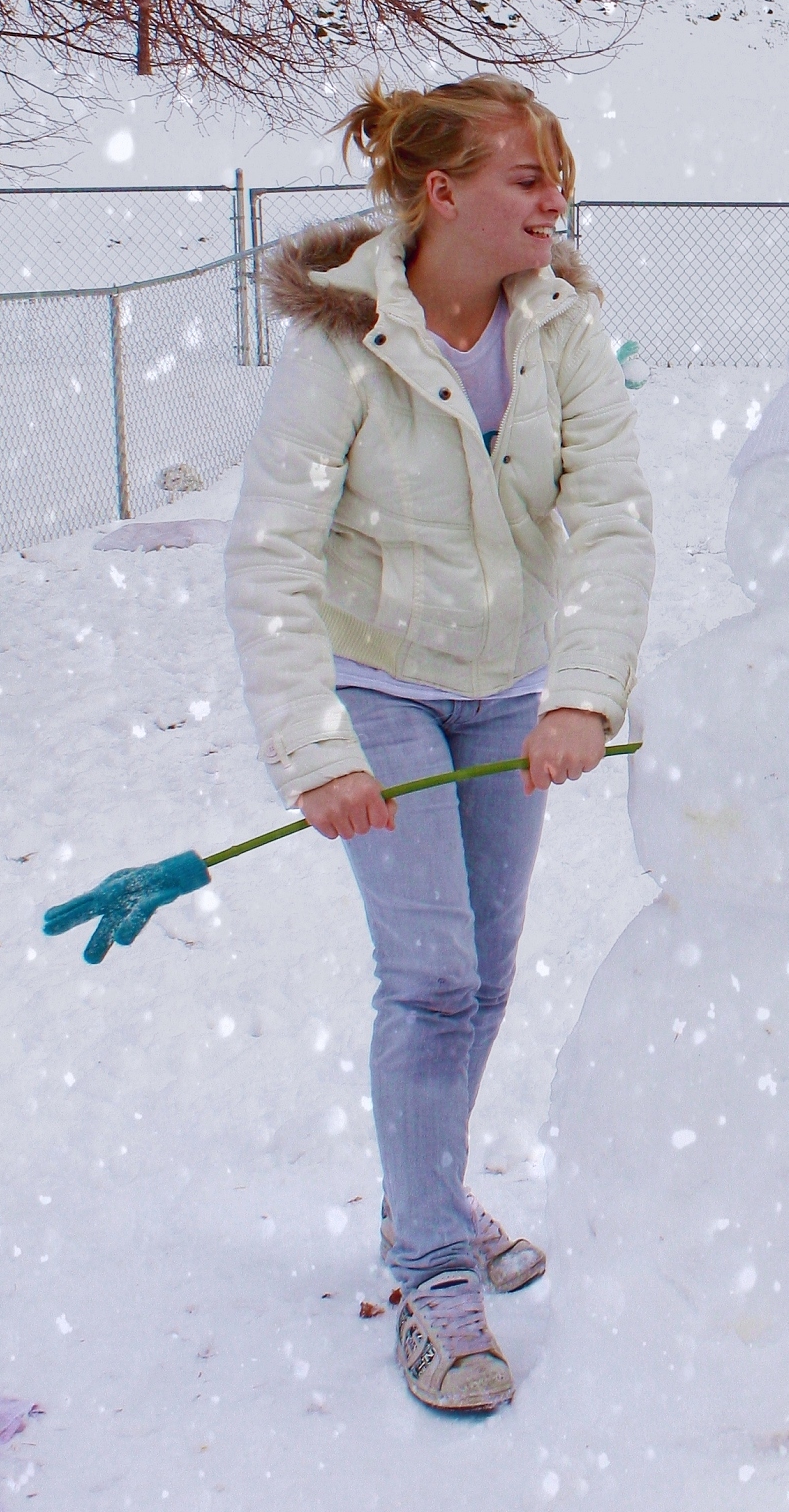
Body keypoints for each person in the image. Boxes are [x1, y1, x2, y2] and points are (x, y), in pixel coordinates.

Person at [225, 77, 654, 1410]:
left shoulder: (563, 329)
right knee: (429, 979)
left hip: (507, 686)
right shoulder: (343, 351)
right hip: (378, 687)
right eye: (526, 178)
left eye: (556, 176)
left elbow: (616, 519)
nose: (553, 200)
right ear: (442, 196)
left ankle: (433, 1190)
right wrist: (318, 750)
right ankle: (429, 1274)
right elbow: (272, 557)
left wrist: (582, 691)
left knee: (490, 970)